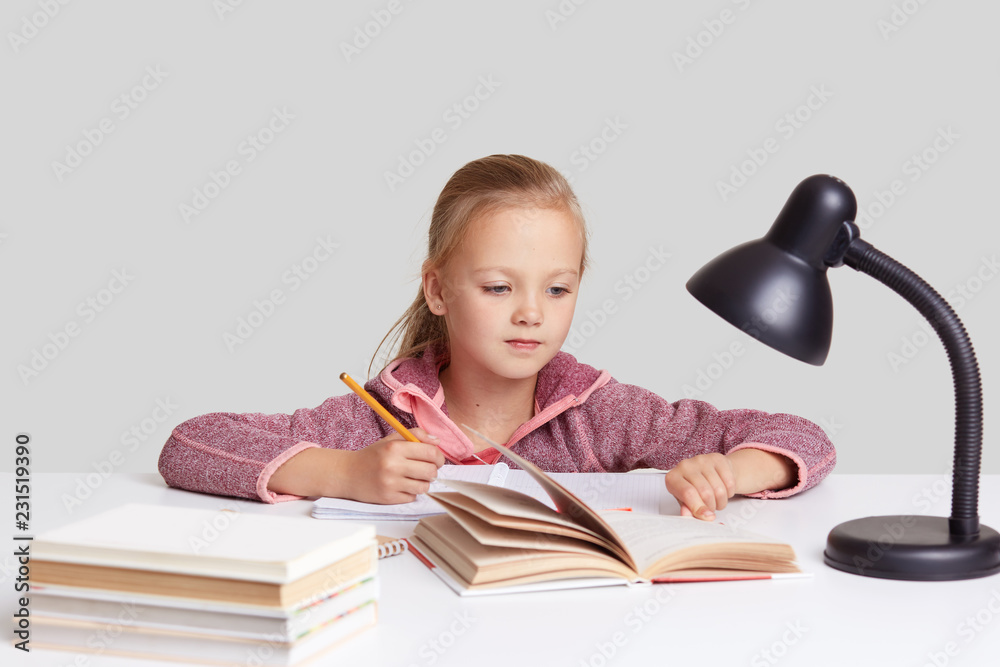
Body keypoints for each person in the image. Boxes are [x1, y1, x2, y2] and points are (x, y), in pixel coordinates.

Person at [158, 154, 835, 521]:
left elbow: (806, 437)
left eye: (557, 288)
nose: (531, 314)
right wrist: (340, 471)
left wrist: (732, 471)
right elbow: (189, 444)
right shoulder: (378, 417)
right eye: (498, 287)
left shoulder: (602, 412)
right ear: (438, 289)